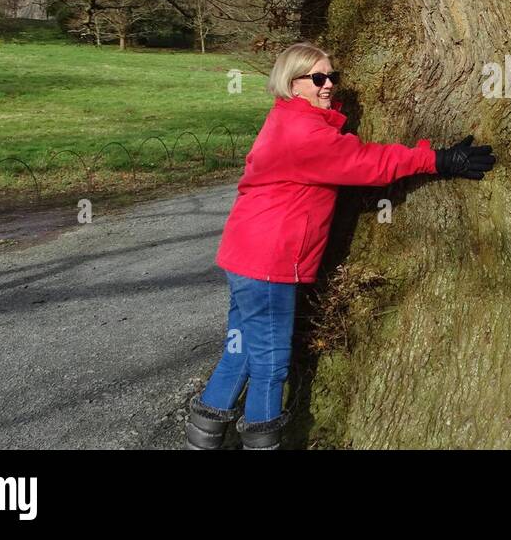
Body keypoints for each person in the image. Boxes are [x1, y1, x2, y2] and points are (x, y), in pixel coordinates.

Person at [185, 42, 495, 449]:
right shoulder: (305, 132)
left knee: (240, 348)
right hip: (269, 262)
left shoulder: (286, 119)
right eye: (317, 78)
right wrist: (437, 159)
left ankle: (200, 439)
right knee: (271, 366)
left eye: (332, 76)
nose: (328, 84)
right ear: (292, 84)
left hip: (245, 255)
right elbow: (370, 163)